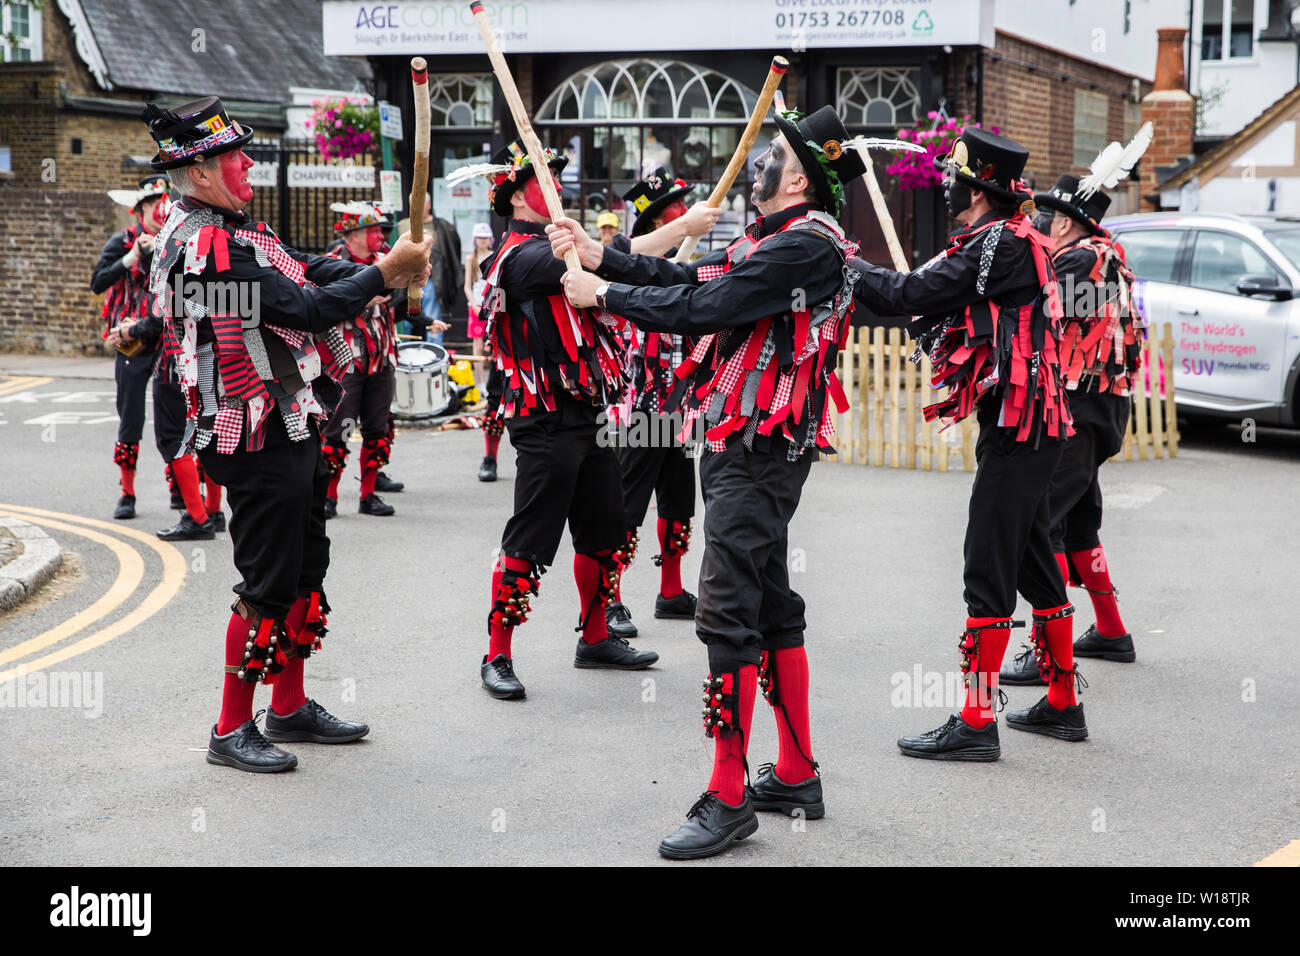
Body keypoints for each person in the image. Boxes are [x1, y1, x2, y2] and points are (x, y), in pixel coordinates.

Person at [552, 105, 867, 859]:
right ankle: (794, 773)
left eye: (767, 157)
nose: (753, 166)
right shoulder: (783, 240)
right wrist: (605, 256)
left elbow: (705, 307)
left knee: (725, 610)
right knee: (769, 600)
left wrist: (605, 297)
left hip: (760, 448)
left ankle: (729, 798)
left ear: (795, 176)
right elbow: (692, 273)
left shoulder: (803, 249)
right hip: (749, 443)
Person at [141, 96, 431, 773]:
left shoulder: (234, 230)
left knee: (305, 564)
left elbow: (306, 268)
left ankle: (289, 706)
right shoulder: (201, 247)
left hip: (288, 421)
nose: (247, 164)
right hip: (246, 431)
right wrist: (382, 276)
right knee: (267, 577)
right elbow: (299, 306)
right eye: (235, 156)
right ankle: (230, 726)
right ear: (203, 173)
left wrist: (376, 272)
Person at [849, 128, 1085, 761]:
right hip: (1035, 425)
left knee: (987, 564)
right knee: (1035, 559)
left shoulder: (997, 245)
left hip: (1020, 428)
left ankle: (977, 721)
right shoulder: (1013, 241)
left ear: (977, 191)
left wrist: (841, 261)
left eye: (956, 178)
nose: (948, 187)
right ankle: (1063, 702)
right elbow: (948, 309)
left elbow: (904, 294)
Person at [466, 140, 659, 702]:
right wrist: (666, 235)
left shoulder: (555, 245)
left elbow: (603, 261)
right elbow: (600, 258)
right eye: (544, 179)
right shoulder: (520, 255)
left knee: (605, 530)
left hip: (589, 409)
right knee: (530, 536)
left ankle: (596, 637)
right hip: (543, 417)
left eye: (557, 176)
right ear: (521, 193)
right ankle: (496, 653)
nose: (556, 186)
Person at [999, 171, 1146, 686]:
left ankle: (1046, 654)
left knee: (1043, 522)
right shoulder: (1102, 256)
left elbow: (1048, 316)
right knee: (1080, 521)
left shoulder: (1080, 261)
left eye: (1044, 218)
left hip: (1080, 408)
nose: (1038, 225)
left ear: (1063, 223)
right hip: (1097, 406)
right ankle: (1111, 630)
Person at [600, 169, 720, 641]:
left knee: (677, 499)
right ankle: (608, 599)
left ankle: (670, 591)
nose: (687, 210)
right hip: (638, 405)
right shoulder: (625, 257)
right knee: (627, 505)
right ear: (659, 215)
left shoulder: (684, 259)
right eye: (678, 206)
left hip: (680, 402)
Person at [319, 201, 407, 518]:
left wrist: (396, 290)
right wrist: (363, 298)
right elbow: (320, 304)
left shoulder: (386, 261)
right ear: (352, 234)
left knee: (377, 428)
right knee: (339, 428)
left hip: (380, 356)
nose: (379, 235)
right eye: (372, 230)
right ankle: (328, 496)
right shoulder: (330, 263)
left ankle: (368, 495)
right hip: (346, 359)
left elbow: (404, 293)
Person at [92, 175, 169, 521]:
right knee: (131, 416)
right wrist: (132, 257)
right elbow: (98, 282)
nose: (160, 210)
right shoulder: (121, 241)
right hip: (132, 341)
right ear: (139, 210)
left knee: (177, 417)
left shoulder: (175, 241)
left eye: (163, 203)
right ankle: (127, 493)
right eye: (153, 204)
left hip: (167, 337)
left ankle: (182, 492)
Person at [464, 222, 493, 389]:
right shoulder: (470, 258)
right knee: (478, 345)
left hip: (491, 304)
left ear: (491, 239)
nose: (483, 240)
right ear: (475, 239)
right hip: (475, 304)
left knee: (495, 342)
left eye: (486, 237)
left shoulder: (495, 255)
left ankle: (495, 380)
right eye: (480, 237)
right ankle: (481, 382)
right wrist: (474, 305)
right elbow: (467, 285)